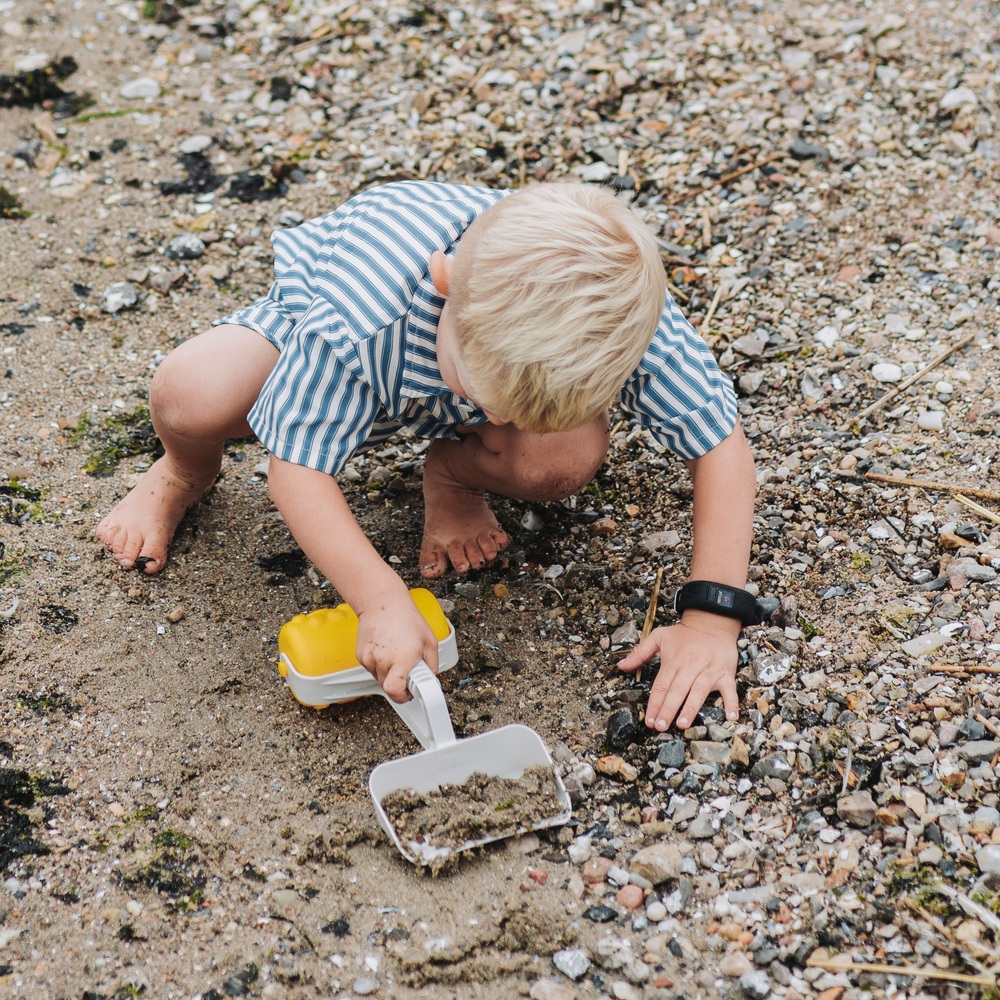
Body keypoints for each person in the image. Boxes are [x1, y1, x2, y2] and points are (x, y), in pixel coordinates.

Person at [97, 180, 755, 731]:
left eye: (516, 412)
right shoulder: (353, 322)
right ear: (446, 283)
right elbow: (295, 469)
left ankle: (452, 473)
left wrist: (711, 619)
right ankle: (184, 472)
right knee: (189, 394)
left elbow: (721, 446)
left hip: (441, 355)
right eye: (488, 396)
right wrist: (381, 599)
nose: (496, 419)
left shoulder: (621, 320)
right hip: (343, 348)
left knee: (562, 455)